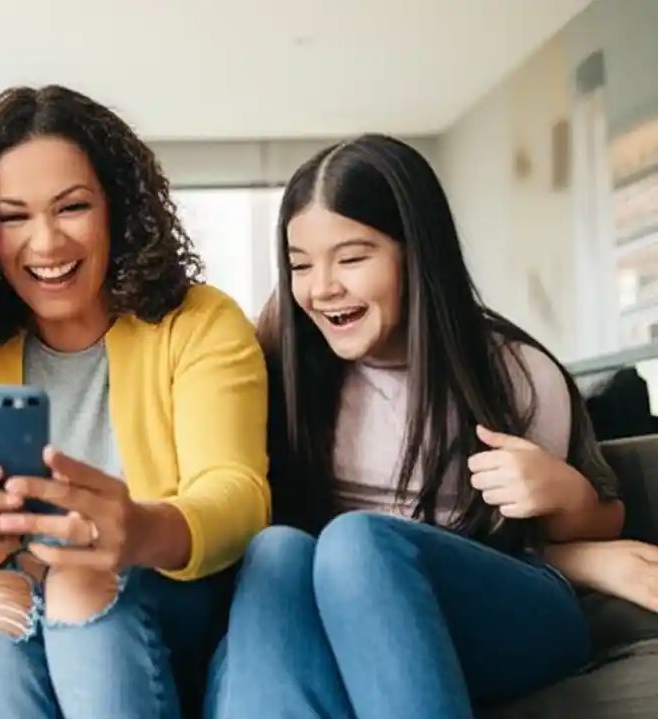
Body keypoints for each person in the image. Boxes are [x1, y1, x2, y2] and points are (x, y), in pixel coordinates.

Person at [204, 133, 625, 719]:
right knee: (275, 551)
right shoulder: (282, 359)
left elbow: (603, 519)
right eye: (301, 265)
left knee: (357, 540)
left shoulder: (513, 371)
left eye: (352, 258)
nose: (322, 287)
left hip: (498, 607)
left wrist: (558, 488)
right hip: (331, 614)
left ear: (417, 252)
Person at [0, 85, 271, 719]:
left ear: (116, 209)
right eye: (13, 216)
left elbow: (238, 494)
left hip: (163, 603)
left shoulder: (200, 322)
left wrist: (138, 530)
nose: (46, 244)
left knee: (80, 580)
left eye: (71, 207)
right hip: (12, 597)